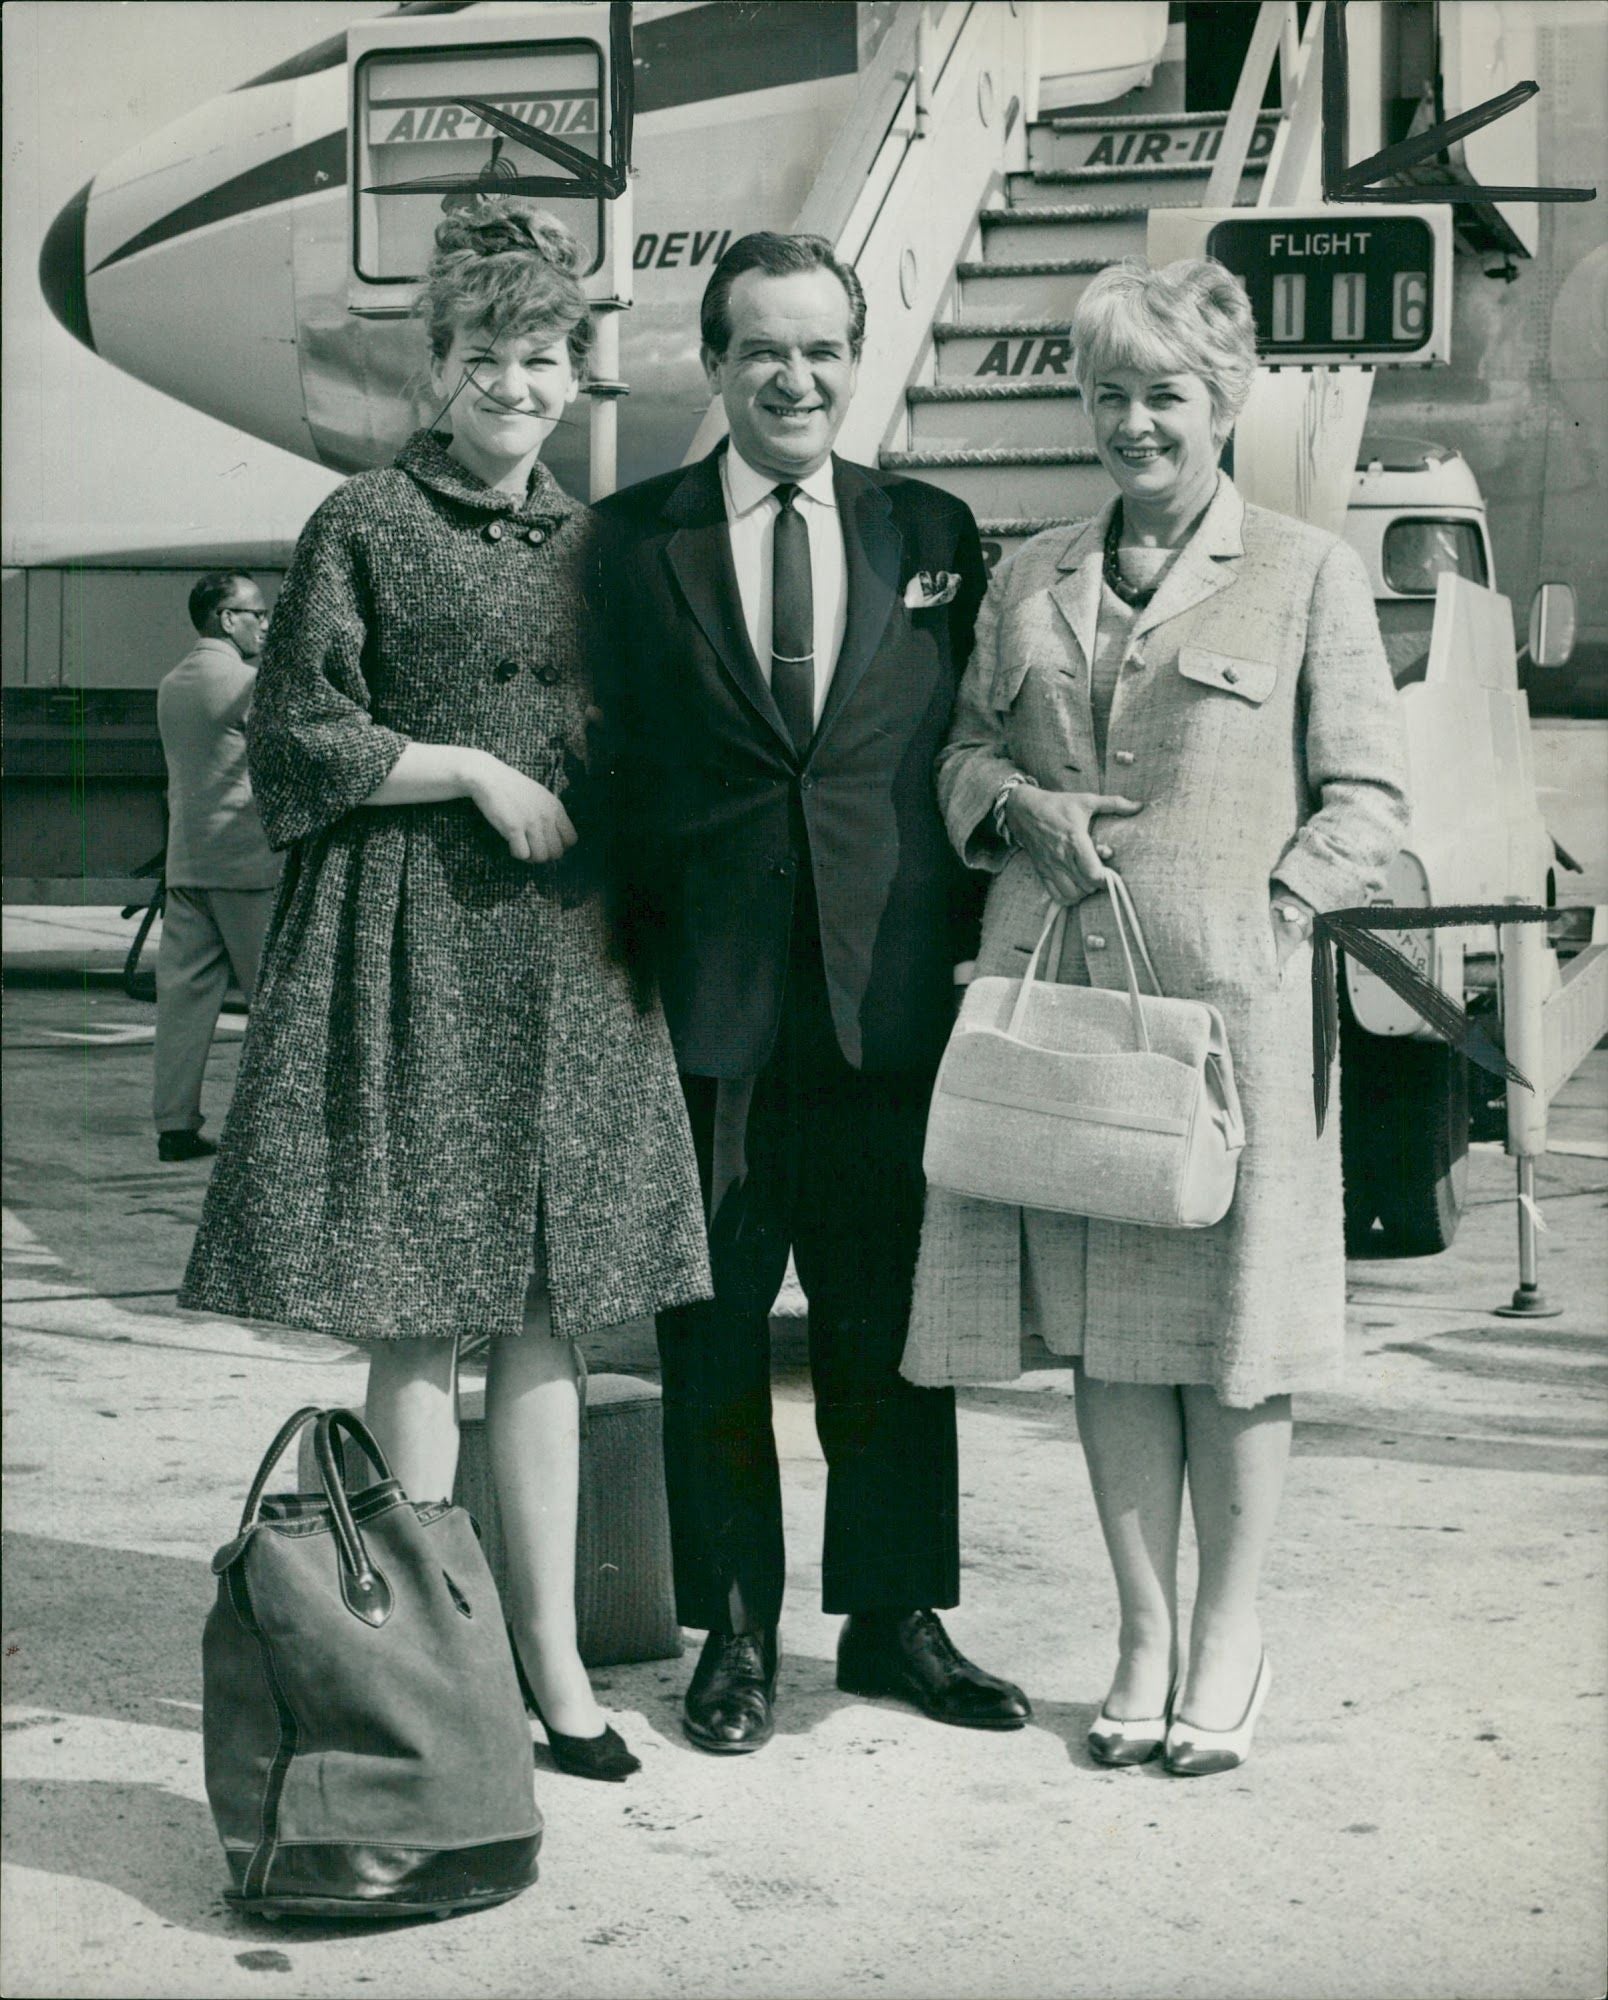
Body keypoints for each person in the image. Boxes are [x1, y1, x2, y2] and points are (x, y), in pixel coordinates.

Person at [179, 198, 711, 1786]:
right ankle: (432, 1662)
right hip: (409, 940)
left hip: (564, 958)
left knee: (549, 1320)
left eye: (547, 359)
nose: (519, 385)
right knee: (419, 1322)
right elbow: (297, 739)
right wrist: (471, 766)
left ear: (576, 376)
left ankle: (551, 1665)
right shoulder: (360, 523)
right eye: (489, 357)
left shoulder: (602, 544)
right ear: (440, 368)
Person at [903, 259, 1408, 1776]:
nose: (1136, 422)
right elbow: (962, 758)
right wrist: (1014, 807)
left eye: (1165, 393)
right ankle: (1139, 1632)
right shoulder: (1033, 571)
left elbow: (1370, 795)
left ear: (1229, 400)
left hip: (1237, 1016)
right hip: (1068, 1006)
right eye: (1110, 393)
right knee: (1114, 1344)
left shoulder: (1306, 569)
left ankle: (1231, 1636)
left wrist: (1282, 918)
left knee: (1235, 1342)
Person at [596, 231, 1031, 1755]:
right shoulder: (628, 543)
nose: (797, 377)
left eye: (824, 349)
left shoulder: (933, 527)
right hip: (697, 1013)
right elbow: (600, 773)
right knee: (711, 1328)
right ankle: (733, 1629)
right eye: (764, 350)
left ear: (859, 358)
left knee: (889, 1324)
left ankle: (896, 1620)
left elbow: (975, 743)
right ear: (715, 364)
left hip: (886, 1008)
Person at [152, 572, 280, 1162]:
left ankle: (175, 1127)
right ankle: (278, 1131)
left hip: (187, 865)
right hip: (247, 866)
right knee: (275, 1000)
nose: (266, 622)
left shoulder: (170, 683)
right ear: (227, 619)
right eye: (257, 613)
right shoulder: (249, 684)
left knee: (182, 1002)